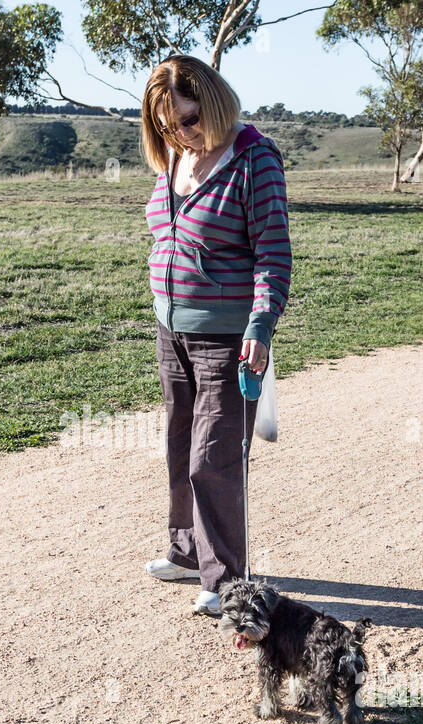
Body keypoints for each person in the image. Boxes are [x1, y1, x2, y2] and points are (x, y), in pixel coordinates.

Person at [139, 54, 292, 616]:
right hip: (171, 328)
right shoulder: (176, 158)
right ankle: (187, 553)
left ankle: (226, 578)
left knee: (215, 454)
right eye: (167, 125)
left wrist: (260, 324)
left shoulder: (255, 160)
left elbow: (273, 255)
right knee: (180, 443)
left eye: (188, 118)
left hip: (229, 335)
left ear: (215, 101)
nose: (181, 132)